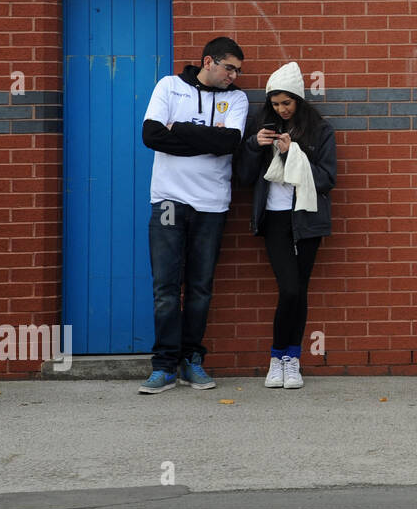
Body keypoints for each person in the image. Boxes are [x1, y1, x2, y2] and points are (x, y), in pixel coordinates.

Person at [139, 37, 249, 394]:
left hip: (212, 204)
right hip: (169, 200)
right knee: (166, 288)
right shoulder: (169, 87)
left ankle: (192, 361)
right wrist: (207, 139)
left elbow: (229, 143)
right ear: (208, 61)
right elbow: (152, 136)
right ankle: (164, 365)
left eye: (238, 70)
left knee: (200, 289)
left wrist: (182, 130)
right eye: (229, 67)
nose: (234, 75)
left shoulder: (237, 99)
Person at [235, 62, 337, 391]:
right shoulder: (262, 127)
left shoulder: (319, 131)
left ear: (299, 100)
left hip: (307, 215)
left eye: (287, 103)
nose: (281, 109)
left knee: (300, 291)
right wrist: (253, 145)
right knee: (289, 289)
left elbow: (327, 178)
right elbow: (244, 177)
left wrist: (295, 154)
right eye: (275, 103)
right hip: (275, 217)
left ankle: (292, 360)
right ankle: (276, 357)